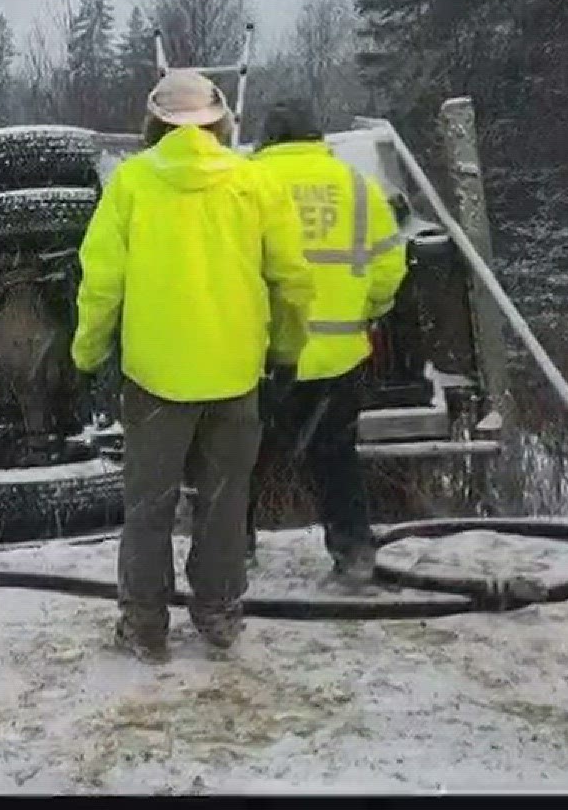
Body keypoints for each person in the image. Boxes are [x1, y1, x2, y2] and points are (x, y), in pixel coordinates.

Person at [71, 70, 314, 662]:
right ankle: (219, 612)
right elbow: (291, 279)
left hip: (154, 380)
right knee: (225, 501)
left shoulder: (130, 184)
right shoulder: (253, 182)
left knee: (148, 507)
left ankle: (145, 625)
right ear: (220, 120)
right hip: (235, 374)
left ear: (153, 123)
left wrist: (87, 354)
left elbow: (101, 284)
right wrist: (286, 351)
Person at [244, 97, 408, 585]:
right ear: (317, 136)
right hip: (338, 355)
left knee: (240, 457)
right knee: (335, 456)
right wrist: (368, 310)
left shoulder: (246, 185)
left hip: (261, 356)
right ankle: (352, 549)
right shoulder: (357, 186)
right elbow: (389, 266)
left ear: (267, 138)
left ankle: (232, 549)